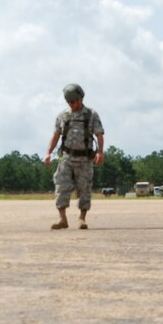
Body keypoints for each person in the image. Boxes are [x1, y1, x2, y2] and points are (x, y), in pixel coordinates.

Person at [44, 84, 105, 230]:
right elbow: (56, 135)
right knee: (61, 186)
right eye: (69, 102)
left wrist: (100, 152)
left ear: (81, 98)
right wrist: (48, 153)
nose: (72, 104)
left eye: (74, 101)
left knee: (84, 189)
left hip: (84, 159)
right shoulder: (63, 116)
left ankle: (81, 219)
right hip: (66, 158)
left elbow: (99, 134)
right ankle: (62, 219)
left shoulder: (91, 115)